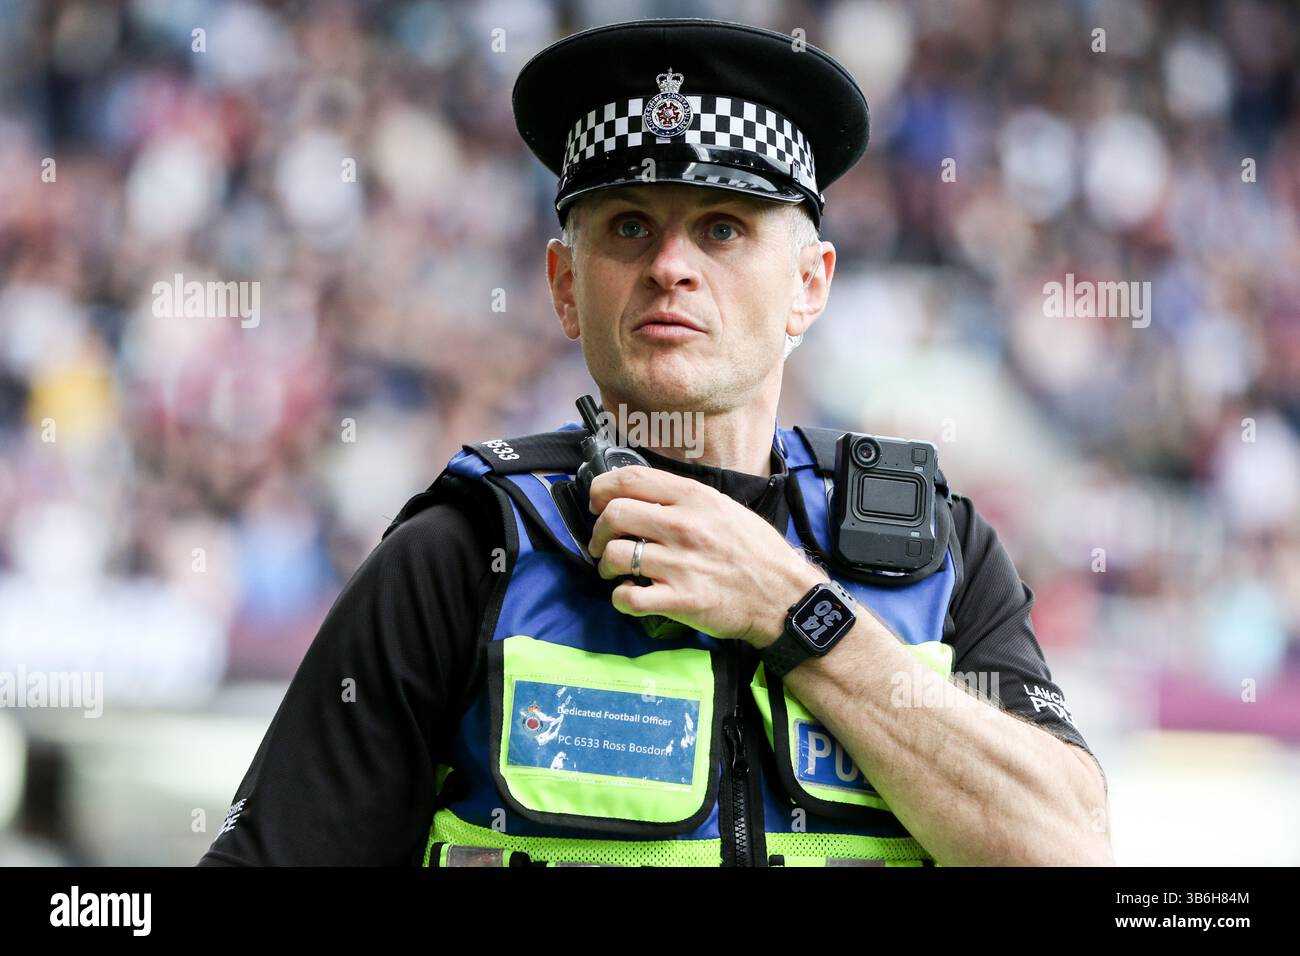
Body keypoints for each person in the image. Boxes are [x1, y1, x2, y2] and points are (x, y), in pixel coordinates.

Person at [198, 17, 1112, 868]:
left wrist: (795, 611)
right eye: (629, 226)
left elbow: (1068, 850)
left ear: (809, 284)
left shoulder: (939, 553)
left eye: (723, 228)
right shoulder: (461, 553)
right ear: (565, 285)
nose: (671, 264)